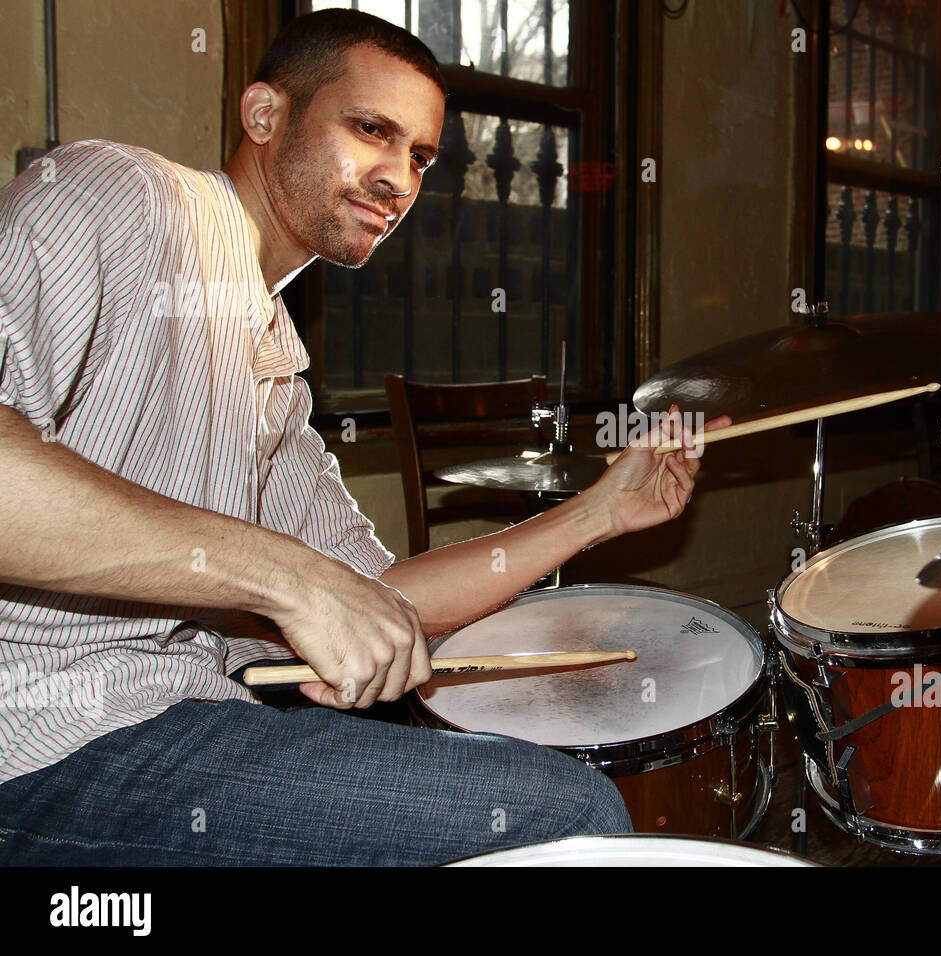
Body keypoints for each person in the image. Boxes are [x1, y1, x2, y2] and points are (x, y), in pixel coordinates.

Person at [0, 9, 725, 864]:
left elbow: (382, 600)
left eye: (420, 157)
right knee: (565, 815)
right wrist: (287, 577)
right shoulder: (121, 195)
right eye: (371, 129)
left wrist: (601, 511)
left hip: (179, 715)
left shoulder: (268, 366)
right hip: (43, 736)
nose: (399, 179)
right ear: (265, 114)